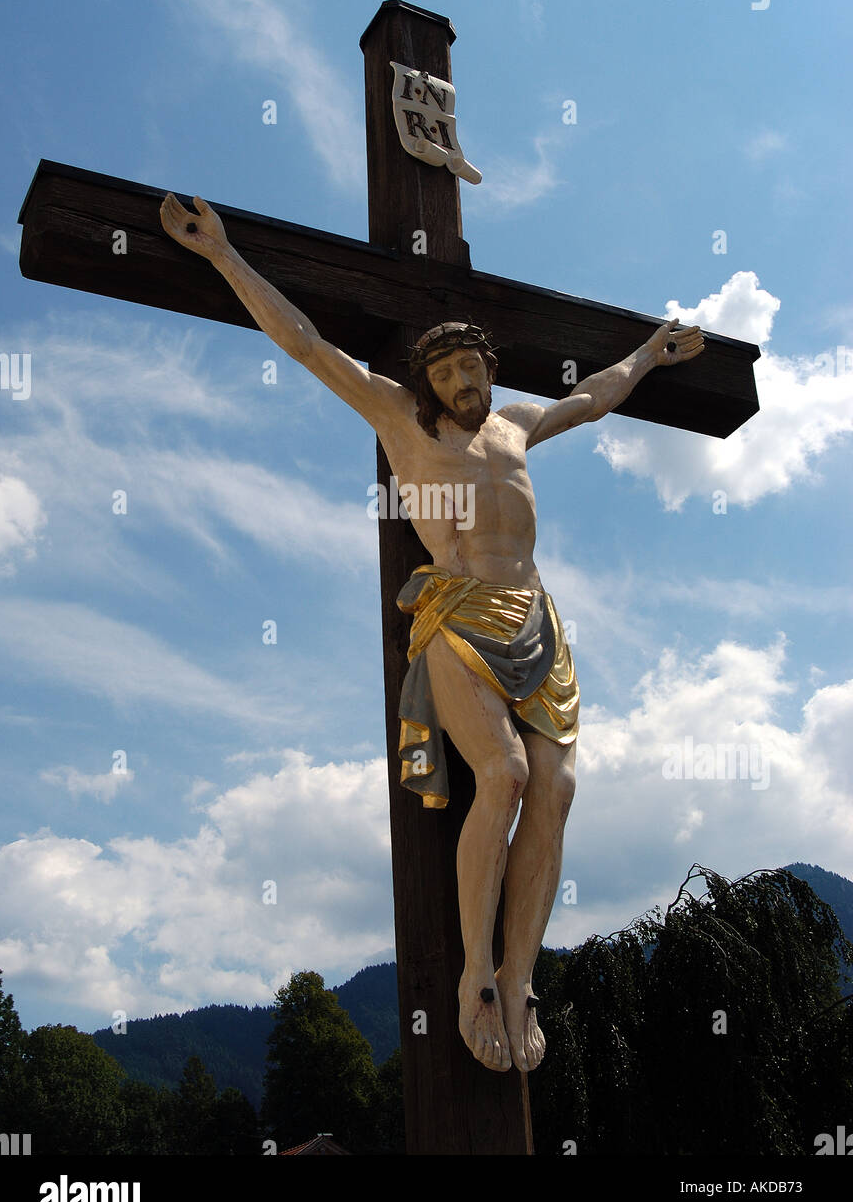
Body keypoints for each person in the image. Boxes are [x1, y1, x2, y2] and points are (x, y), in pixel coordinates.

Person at [160, 192, 704, 1072]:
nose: (464, 382)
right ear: (427, 380)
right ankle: (473, 975)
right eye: (448, 371)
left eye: (472, 369)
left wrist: (647, 351)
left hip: (536, 620)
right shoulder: (397, 420)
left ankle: (521, 973)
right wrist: (222, 254)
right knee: (507, 774)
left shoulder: (517, 426)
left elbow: (596, 398)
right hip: (457, 616)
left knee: (558, 792)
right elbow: (302, 341)